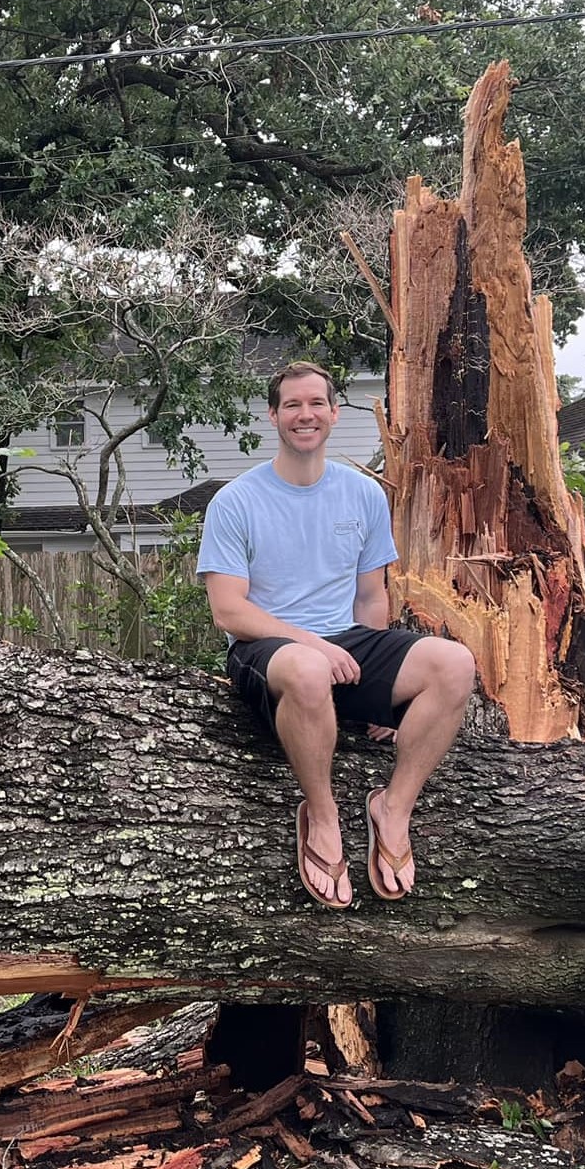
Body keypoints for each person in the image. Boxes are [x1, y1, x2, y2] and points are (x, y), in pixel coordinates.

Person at [196, 361, 477, 908]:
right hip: (267, 650)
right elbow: (229, 611)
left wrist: (374, 690)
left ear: (334, 413)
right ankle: (322, 818)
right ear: (274, 415)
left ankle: (392, 810)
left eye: (316, 404)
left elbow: (372, 599)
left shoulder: (363, 495)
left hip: (343, 643)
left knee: (455, 664)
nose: (306, 415)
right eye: (293, 406)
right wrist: (314, 645)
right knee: (307, 668)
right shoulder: (236, 501)